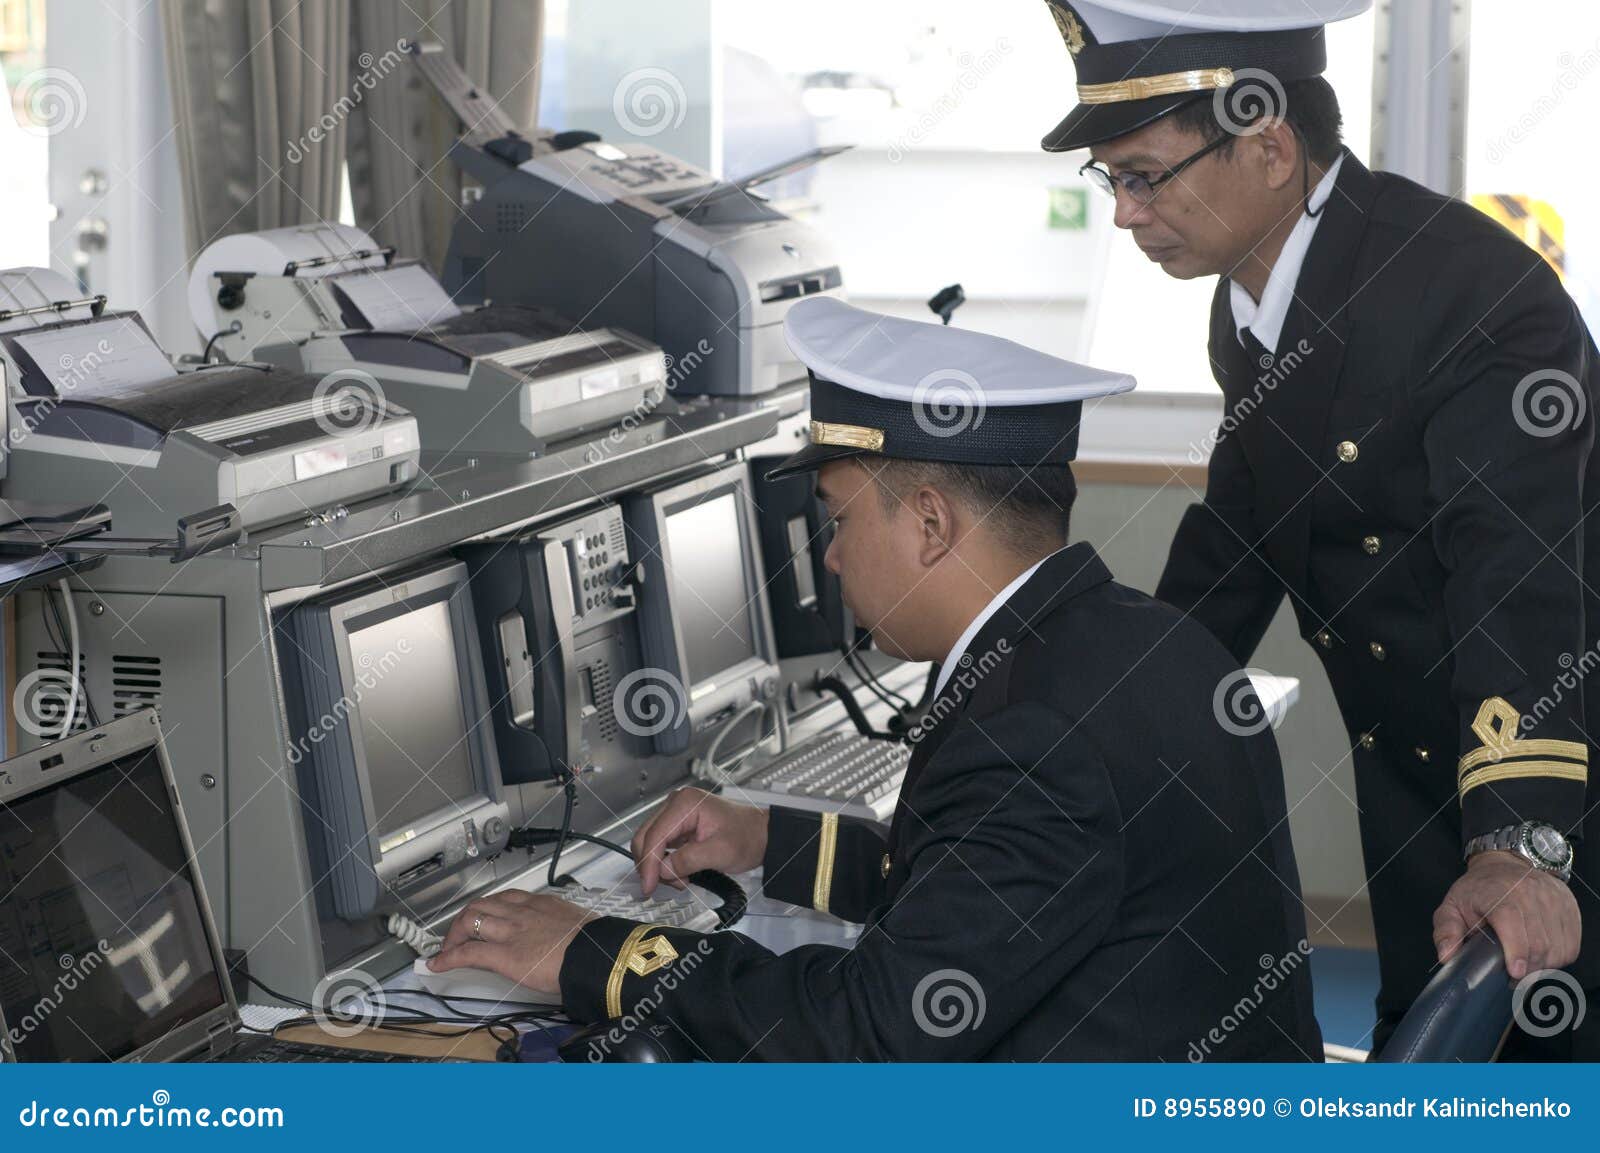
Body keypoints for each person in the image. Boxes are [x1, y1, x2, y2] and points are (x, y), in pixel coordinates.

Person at [427, 296, 1322, 1060]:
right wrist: (772, 838)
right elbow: (978, 892)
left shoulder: (1033, 732)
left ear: (930, 523)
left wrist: (596, 951)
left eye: (840, 517)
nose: (835, 557)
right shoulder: (1144, 640)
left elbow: (871, 1034)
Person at [1039, 0, 1597, 1056]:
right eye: (1109, 179)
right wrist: (1086, 726)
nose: (1122, 214)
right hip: (1415, 789)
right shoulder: (1253, 301)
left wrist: (1521, 843)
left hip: (1555, 792)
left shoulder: (1468, 294)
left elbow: (1515, 578)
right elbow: (1233, 552)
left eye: (1145, 175)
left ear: (1269, 145)